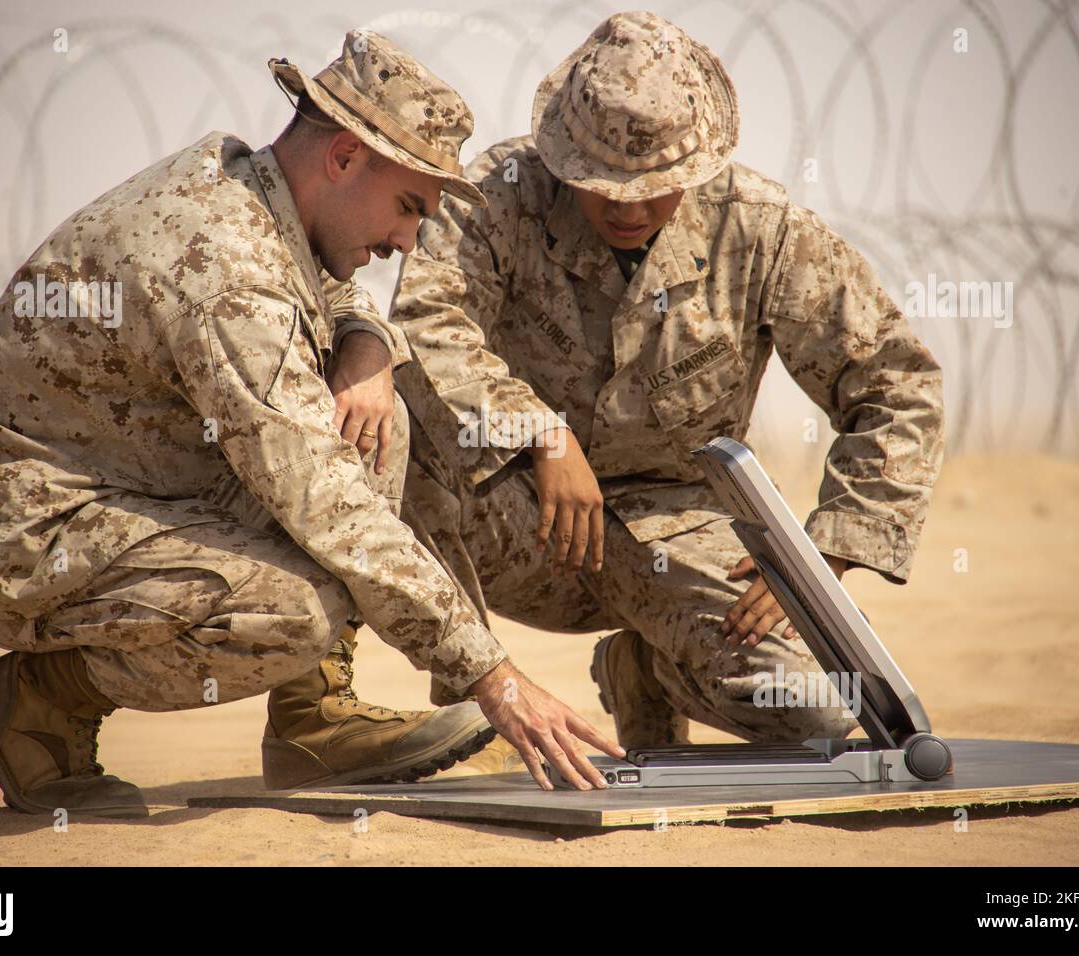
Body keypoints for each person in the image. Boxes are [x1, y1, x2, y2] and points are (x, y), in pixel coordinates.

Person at [0, 30, 623, 818]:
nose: (409, 241)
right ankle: (35, 702)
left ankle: (315, 719)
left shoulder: (260, 191)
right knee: (292, 609)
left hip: (130, 487)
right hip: (21, 526)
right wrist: (495, 680)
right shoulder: (226, 272)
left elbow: (323, 292)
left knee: (378, 416)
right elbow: (333, 510)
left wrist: (367, 344)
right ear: (344, 157)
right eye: (409, 206)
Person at [391, 11, 946, 750]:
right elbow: (426, 324)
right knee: (363, 423)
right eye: (604, 185)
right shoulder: (502, 194)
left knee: (816, 707)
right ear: (562, 159)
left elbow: (896, 382)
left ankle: (644, 667)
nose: (631, 207)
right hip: (514, 515)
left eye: (656, 186)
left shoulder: (759, 228)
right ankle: (328, 712)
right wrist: (540, 434)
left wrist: (831, 551)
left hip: (679, 528)